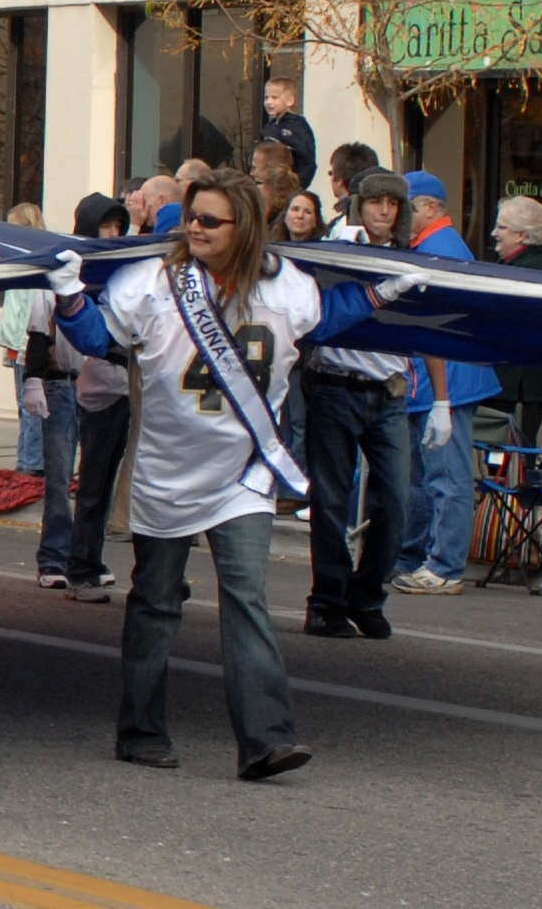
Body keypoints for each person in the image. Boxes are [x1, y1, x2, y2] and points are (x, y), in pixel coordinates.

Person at [56, 168, 385, 780]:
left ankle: (265, 740)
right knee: (156, 603)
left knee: (247, 600)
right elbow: (100, 339)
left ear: (246, 227)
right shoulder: (151, 282)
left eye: (210, 220)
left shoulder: (287, 285)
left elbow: (329, 321)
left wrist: (384, 292)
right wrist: (70, 298)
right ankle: (140, 730)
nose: (194, 229)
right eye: (191, 217)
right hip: (166, 473)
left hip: (245, 476)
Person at [300, 172, 418, 639]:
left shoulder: (413, 259)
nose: (383, 211)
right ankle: (326, 601)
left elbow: (428, 331)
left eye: (392, 203)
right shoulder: (338, 248)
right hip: (333, 385)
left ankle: (366, 596)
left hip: (387, 392)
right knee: (330, 500)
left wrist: (442, 399)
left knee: (395, 501)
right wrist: (340, 239)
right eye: (374, 202)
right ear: (359, 206)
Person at [387, 173, 500, 596]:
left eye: (406, 206)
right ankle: (414, 557)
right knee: (424, 477)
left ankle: (446, 566)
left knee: (446, 478)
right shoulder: (435, 246)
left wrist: (442, 398)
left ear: (431, 207)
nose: (397, 215)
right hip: (439, 381)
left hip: (448, 382)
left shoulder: (440, 250)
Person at [38, 194, 136, 600]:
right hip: (95, 390)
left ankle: (93, 561)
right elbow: (76, 333)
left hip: (133, 391)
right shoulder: (74, 271)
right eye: (105, 227)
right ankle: (72, 564)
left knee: (128, 485)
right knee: (83, 481)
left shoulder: (127, 272)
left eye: (118, 228)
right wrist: (33, 379)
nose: (112, 235)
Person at [486, 196, 542, 447]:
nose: (494, 232)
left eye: (502, 227)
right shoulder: (520, 266)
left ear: (521, 236)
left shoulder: (529, 272)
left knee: (512, 458)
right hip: (516, 384)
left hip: (518, 387)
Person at [257, 78, 317, 188]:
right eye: (266, 97)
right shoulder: (269, 127)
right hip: (267, 184)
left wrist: (297, 186)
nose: (269, 102)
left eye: (275, 97)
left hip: (286, 186)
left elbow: (307, 161)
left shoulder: (297, 126)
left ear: (290, 100)